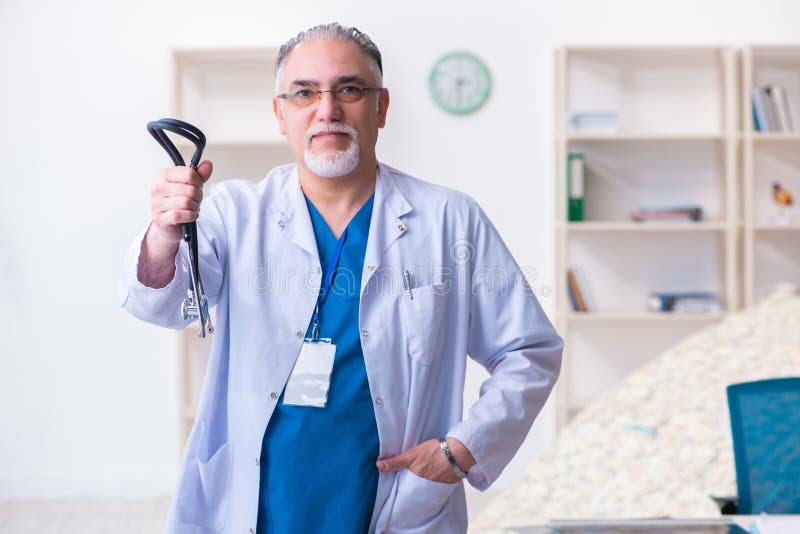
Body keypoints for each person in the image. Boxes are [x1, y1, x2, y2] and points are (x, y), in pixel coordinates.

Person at [120, 22, 563, 534]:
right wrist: (164, 231)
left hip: (391, 497)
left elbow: (529, 350)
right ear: (280, 114)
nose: (327, 109)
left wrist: (463, 449)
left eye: (349, 89)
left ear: (381, 107)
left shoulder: (449, 220)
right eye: (304, 92)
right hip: (258, 498)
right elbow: (159, 305)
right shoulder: (234, 213)